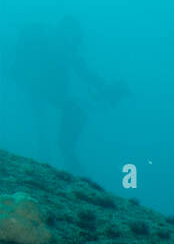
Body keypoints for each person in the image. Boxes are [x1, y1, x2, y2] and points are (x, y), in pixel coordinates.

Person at [9, 16, 127, 171]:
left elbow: (83, 70)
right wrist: (103, 88)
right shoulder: (53, 45)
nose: (75, 44)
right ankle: (60, 152)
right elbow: (83, 71)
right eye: (74, 39)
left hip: (42, 87)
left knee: (64, 115)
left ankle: (58, 151)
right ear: (65, 34)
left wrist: (104, 88)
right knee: (65, 114)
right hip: (39, 86)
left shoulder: (62, 46)